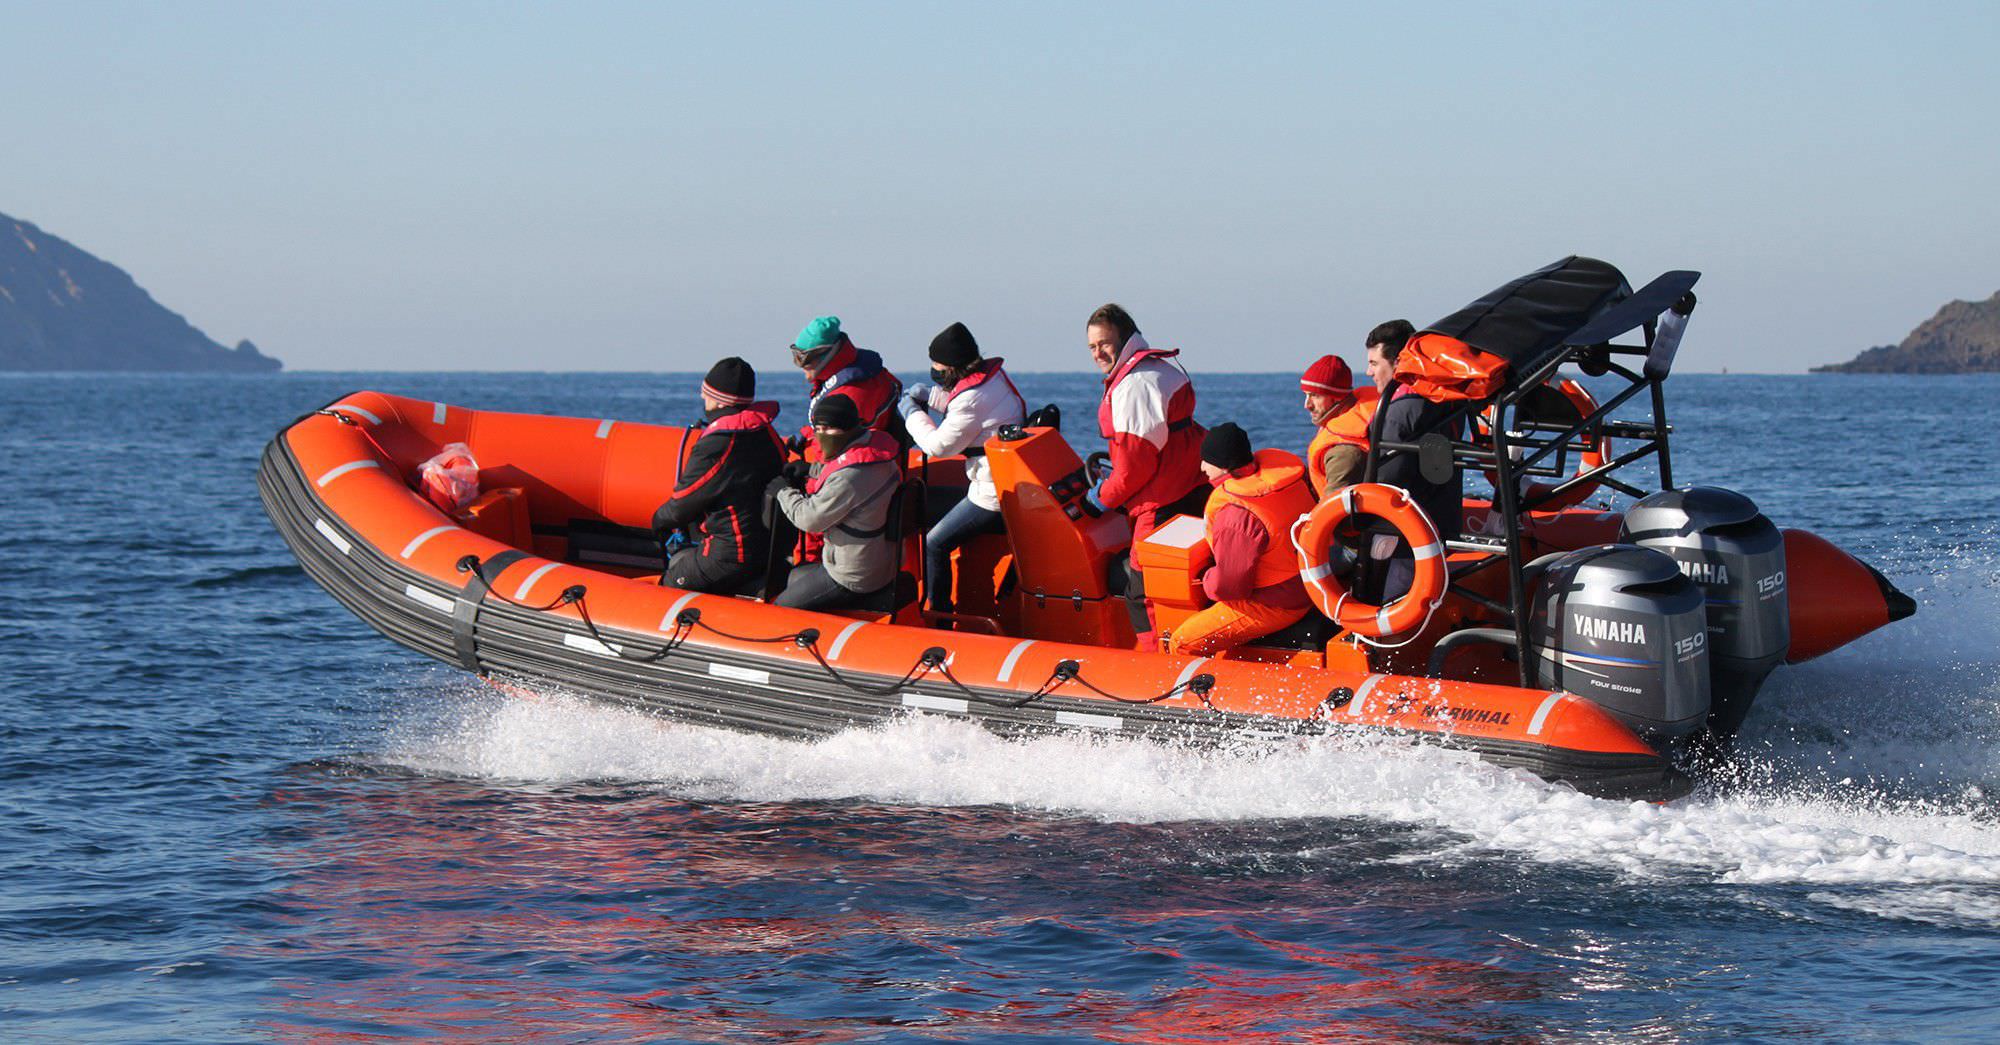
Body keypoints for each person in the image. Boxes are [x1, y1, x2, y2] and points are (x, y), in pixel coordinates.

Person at [1083, 303, 1206, 650]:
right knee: (1183, 582)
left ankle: (1155, 665)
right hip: (1192, 487)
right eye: (1092, 347)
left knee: (1142, 593)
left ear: (1124, 339)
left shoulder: (1132, 388)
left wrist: (1098, 501)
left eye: (1104, 344)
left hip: (1160, 501)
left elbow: (1132, 470)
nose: (1098, 353)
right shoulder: (1161, 369)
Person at [896, 321, 1026, 614]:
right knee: (922, 504)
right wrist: (930, 397)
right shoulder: (993, 380)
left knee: (934, 543)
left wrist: (911, 413)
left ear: (952, 368)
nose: (934, 372)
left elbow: (938, 446)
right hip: (999, 482)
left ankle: (938, 615)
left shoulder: (971, 399)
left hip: (991, 495)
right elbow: (970, 408)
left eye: (937, 367)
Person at [1167, 423, 1316, 656]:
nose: (1202, 467)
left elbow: (1230, 587)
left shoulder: (1238, 514)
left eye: (1207, 460)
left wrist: (1204, 579)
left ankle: (1196, 691)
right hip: (1308, 585)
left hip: (1274, 604)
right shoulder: (1290, 481)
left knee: (1181, 643)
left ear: (1224, 466)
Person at [652, 358, 786, 595]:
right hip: (767, 549)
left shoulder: (719, 443)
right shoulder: (766, 432)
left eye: (706, 393)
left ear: (718, 399)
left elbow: (681, 505)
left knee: (670, 584)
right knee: (686, 559)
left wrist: (658, 521)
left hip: (731, 554)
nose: (703, 399)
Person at [769, 394, 903, 611]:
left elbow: (810, 519)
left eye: (829, 429)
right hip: (879, 562)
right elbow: (853, 482)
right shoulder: (879, 458)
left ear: (848, 428)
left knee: (782, 607)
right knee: (794, 576)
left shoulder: (850, 476)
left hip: (853, 573)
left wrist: (783, 492)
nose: (822, 435)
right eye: (818, 429)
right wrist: (810, 470)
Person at [1364, 319, 1463, 602]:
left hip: (1404, 541)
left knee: (1391, 603)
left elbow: (1384, 482)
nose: (1369, 372)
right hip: (1441, 523)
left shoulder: (1397, 413)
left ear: (1397, 363)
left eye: (1374, 363)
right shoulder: (1443, 399)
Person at [789, 315, 902, 451]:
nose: (799, 365)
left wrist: (808, 465)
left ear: (826, 355)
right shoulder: (849, 374)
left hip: (861, 465)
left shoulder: (851, 394)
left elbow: (837, 444)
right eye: (795, 355)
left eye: (803, 358)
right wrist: (808, 434)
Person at [1300, 353, 1378, 497]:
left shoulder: (1344, 454)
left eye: (1315, 396)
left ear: (1336, 397)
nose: (1307, 405)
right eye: (1306, 395)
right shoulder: (1338, 425)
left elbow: (1334, 513)